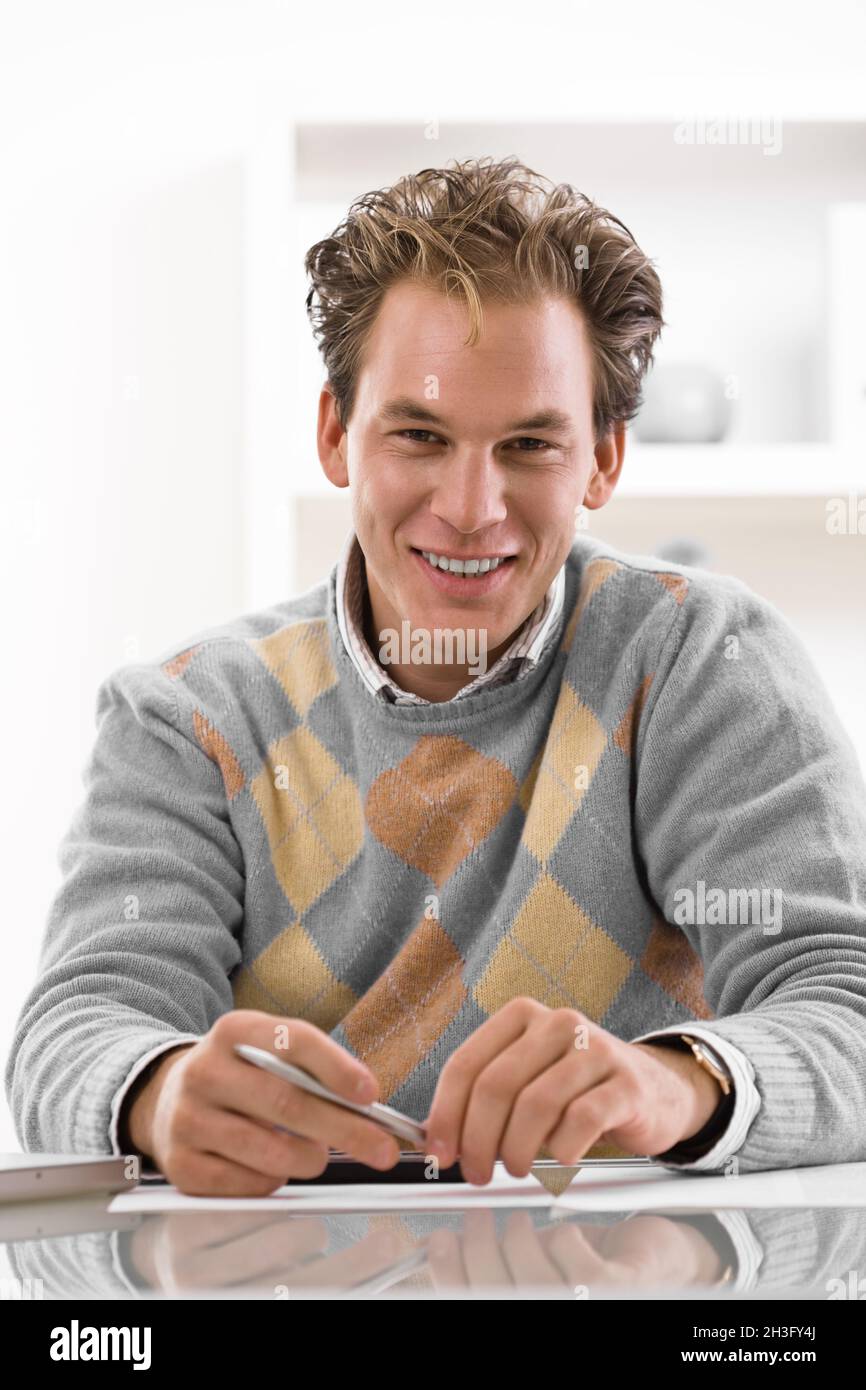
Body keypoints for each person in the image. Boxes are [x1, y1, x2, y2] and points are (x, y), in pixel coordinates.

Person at [7, 157, 866, 1196]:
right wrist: (157, 1086)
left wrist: (668, 1086)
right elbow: (76, 1025)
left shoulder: (696, 662)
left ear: (601, 458)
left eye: (528, 445)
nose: (470, 506)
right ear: (335, 435)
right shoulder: (187, 716)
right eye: (419, 434)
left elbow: (841, 1002)